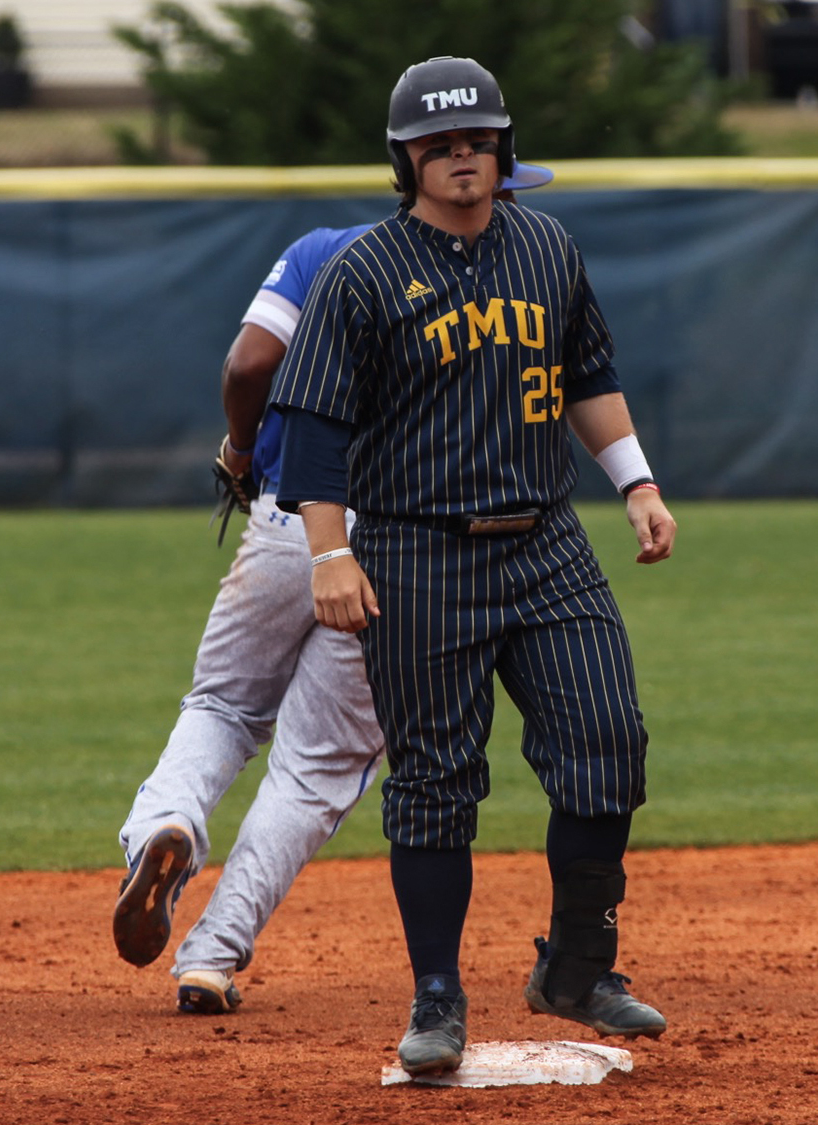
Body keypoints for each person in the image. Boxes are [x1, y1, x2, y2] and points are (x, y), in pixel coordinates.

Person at [269, 56, 677, 1077]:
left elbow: (588, 375)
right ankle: (436, 995)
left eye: (478, 141)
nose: (462, 157)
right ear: (404, 159)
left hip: (545, 542)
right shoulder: (362, 272)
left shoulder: (547, 247)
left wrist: (635, 482)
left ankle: (577, 966)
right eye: (439, 145)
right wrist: (329, 552)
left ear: (503, 150)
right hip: (415, 550)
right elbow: (313, 429)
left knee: (607, 741)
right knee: (436, 781)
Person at [110, 161, 558, 1016]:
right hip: (400, 545)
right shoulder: (505, 294)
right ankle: (211, 955)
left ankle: (167, 825)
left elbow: (249, 364)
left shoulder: (325, 250)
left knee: (223, 706)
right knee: (315, 769)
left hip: (289, 518)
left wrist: (240, 451)